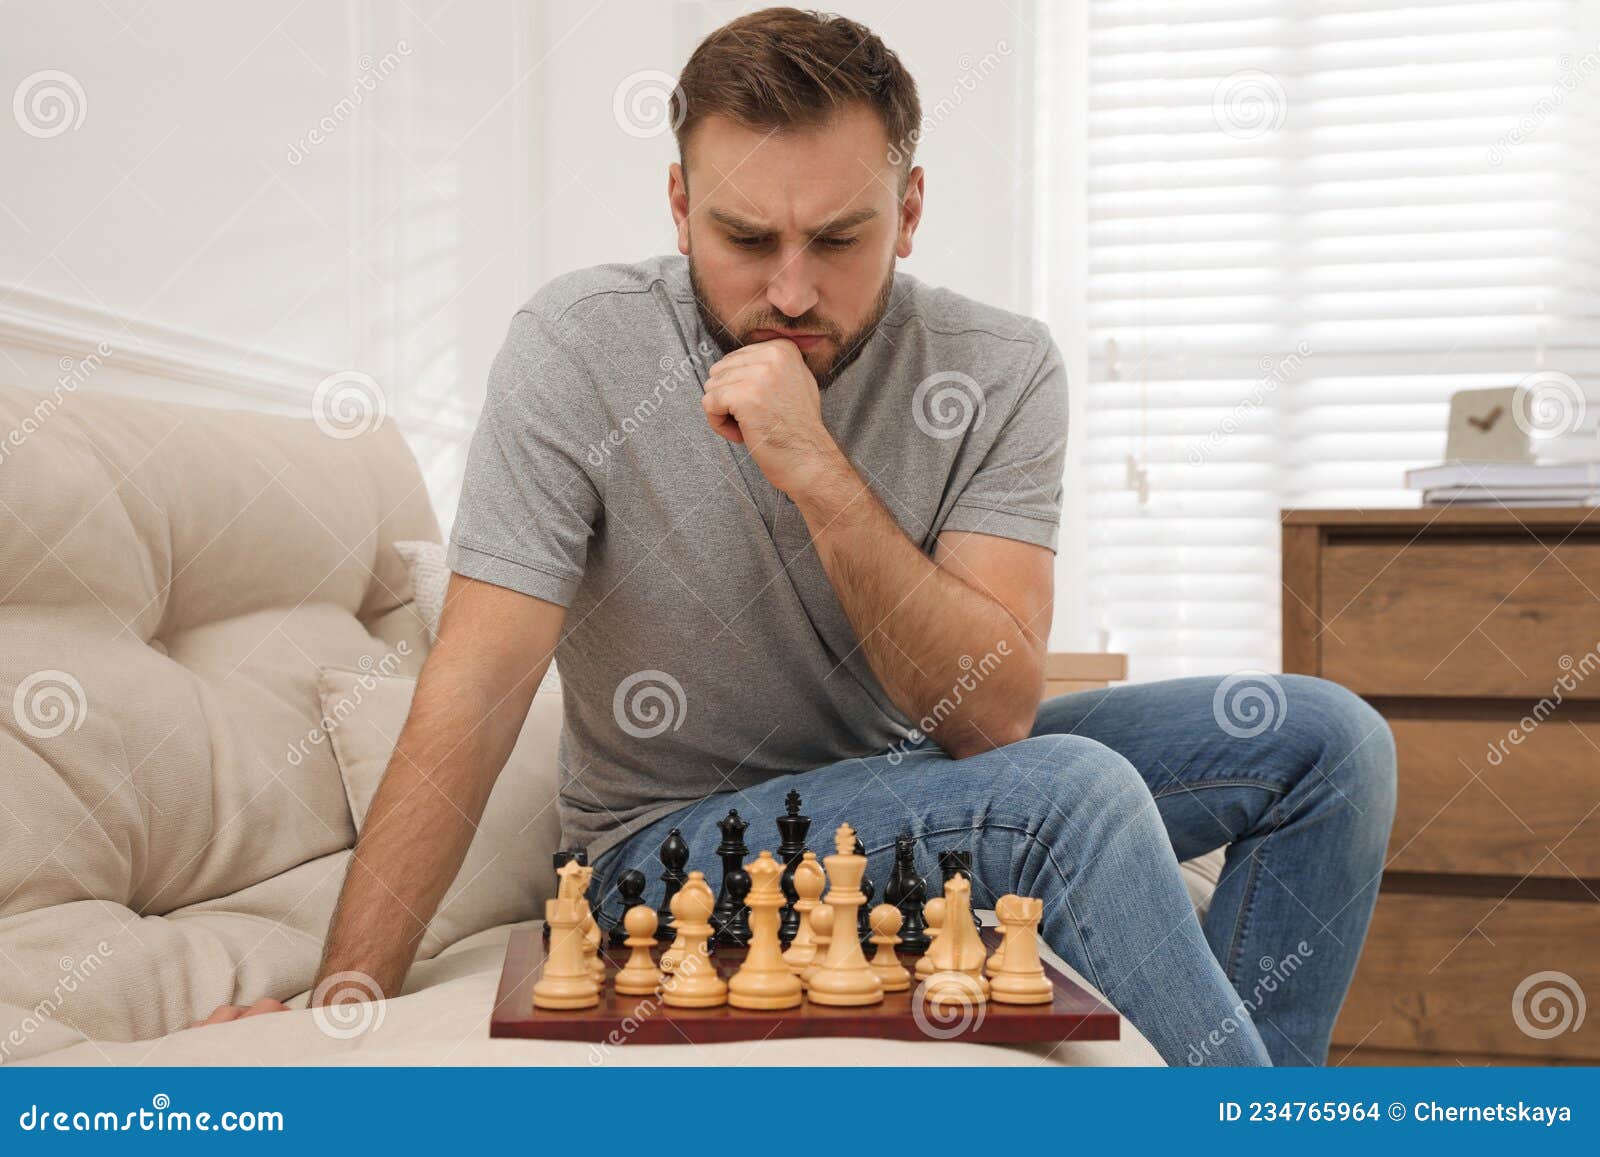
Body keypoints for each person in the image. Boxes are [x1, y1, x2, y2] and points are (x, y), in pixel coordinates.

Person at [203, 7, 1395, 1066]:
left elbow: (989, 716)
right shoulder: (575, 348)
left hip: (918, 782)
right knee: (1068, 795)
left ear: (909, 211)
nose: (787, 292)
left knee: (1329, 740)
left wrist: (815, 467)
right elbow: (473, 686)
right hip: (667, 854)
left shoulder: (1000, 365)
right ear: (677, 206)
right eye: (743, 238)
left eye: (837, 239)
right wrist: (340, 999)